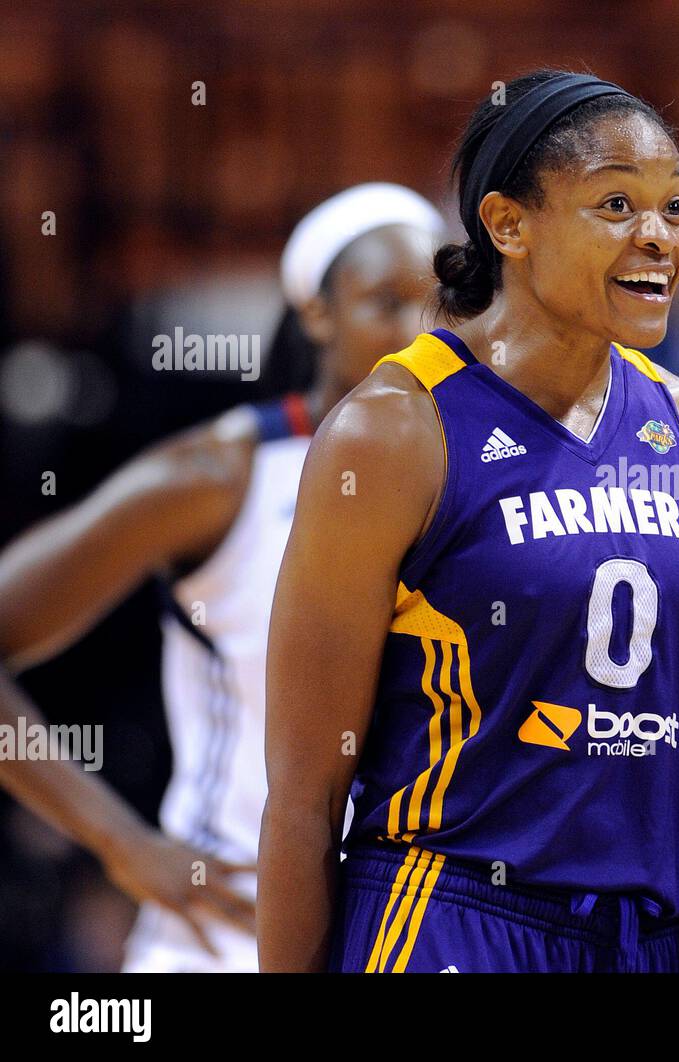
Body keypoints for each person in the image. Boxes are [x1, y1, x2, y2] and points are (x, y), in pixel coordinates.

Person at [259, 70, 679, 974]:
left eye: (674, 208)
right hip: (450, 913)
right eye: (616, 204)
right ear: (508, 224)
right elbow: (303, 791)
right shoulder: (395, 430)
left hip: (647, 936)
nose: (658, 237)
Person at [0, 182, 446, 971]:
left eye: (440, 305)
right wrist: (121, 843)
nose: (419, 334)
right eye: (387, 302)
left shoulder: (479, 475)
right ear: (317, 313)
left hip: (416, 943)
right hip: (223, 942)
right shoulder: (220, 473)